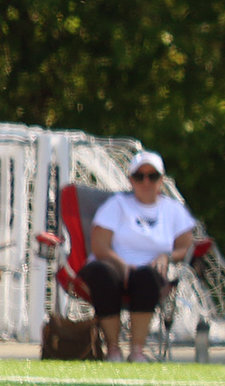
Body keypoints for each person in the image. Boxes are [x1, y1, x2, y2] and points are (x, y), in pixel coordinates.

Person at [78, 152, 197, 362]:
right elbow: (100, 245)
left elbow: (185, 247)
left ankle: (137, 350)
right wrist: (123, 265)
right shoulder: (117, 205)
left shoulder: (173, 209)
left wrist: (166, 256)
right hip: (113, 263)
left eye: (152, 176)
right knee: (102, 273)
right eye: (139, 176)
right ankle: (113, 349)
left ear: (162, 179)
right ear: (131, 179)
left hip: (151, 270)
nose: (146, 181)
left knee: (147, 277)